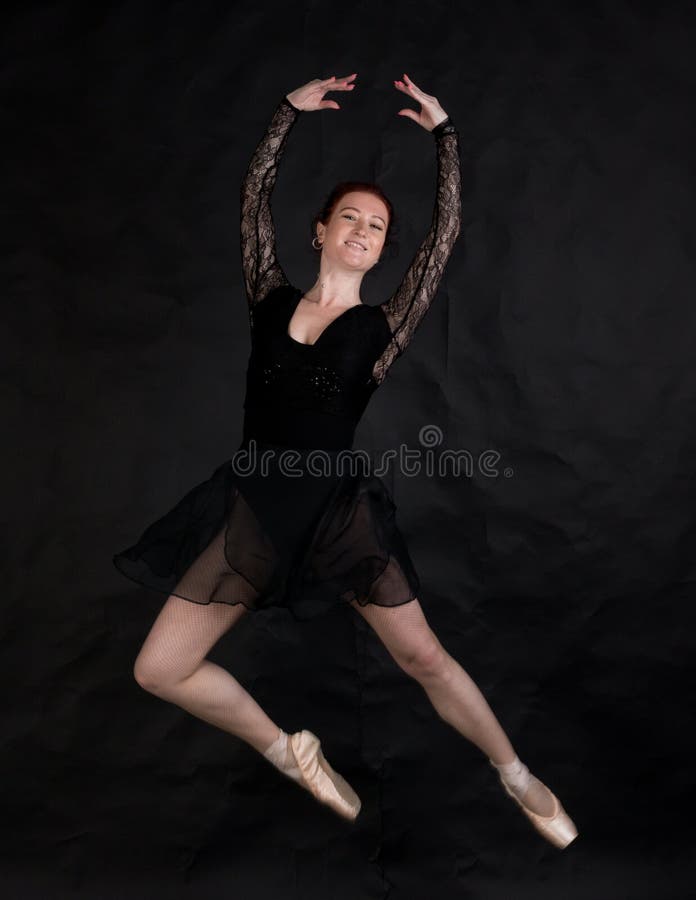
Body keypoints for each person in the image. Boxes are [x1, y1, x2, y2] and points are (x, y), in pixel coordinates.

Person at [113, 72, 578, 848]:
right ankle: (289, 752)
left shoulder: (382, 327)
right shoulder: (268, 293)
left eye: (377, 226)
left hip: (335, 514)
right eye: (350, 218)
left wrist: (445, 135)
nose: (364, 230)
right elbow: (252, 200)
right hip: (257, 509)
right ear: (321, 231)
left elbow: (445, 235)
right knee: (159, 669)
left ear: (382, 249)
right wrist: (284, 118)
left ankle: (516, 774)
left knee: (424, 656)